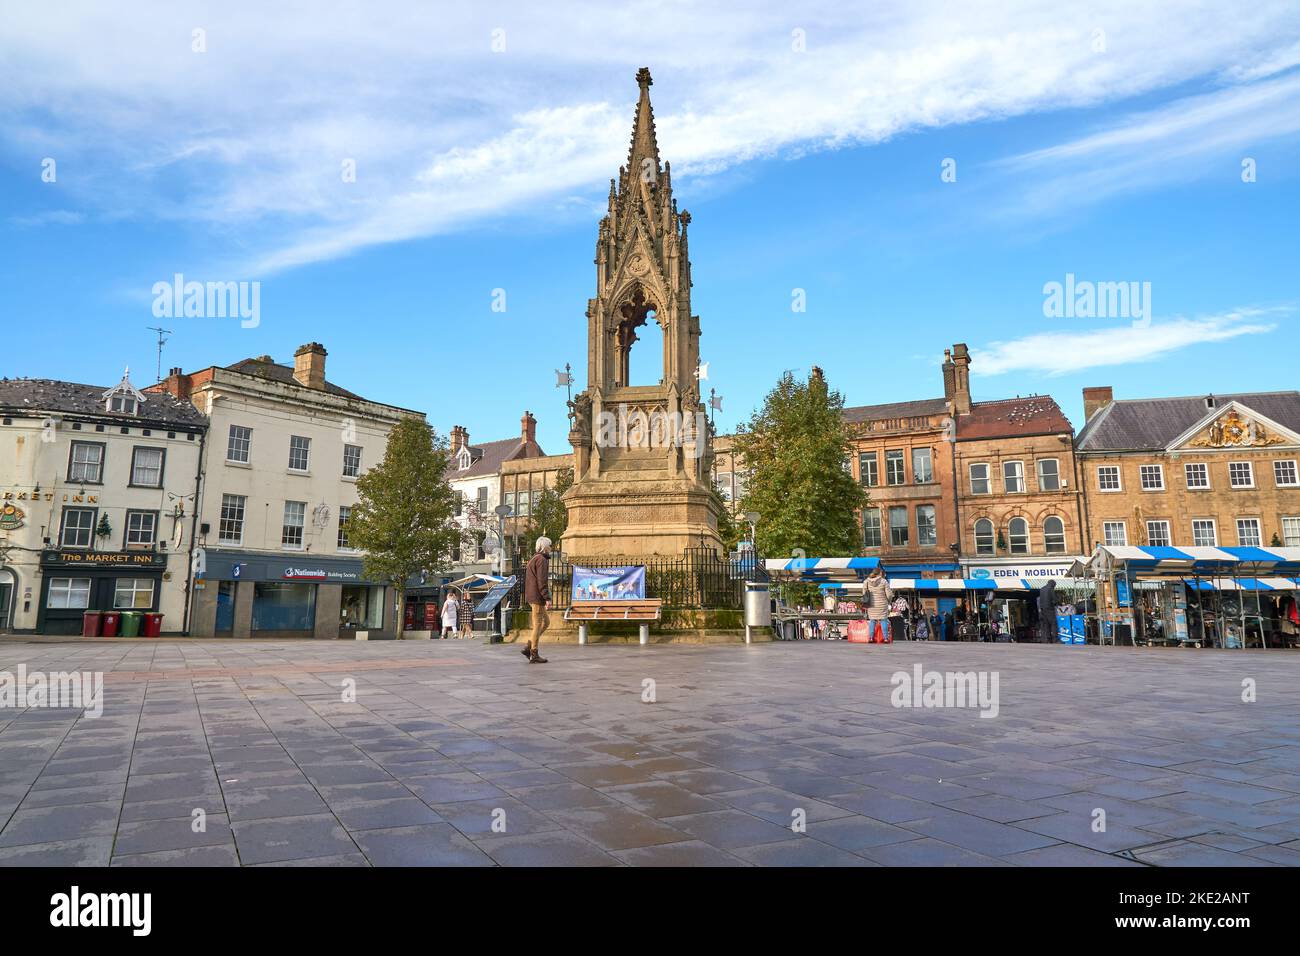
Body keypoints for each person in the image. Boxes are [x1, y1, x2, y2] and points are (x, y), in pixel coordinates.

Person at [523, 536, 552, 663]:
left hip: (532, 596)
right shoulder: (541, 560)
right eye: (549, 545)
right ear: (544, 547)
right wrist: (547, 597)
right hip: (537, 597)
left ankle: (529, 646)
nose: (551, 547)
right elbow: (542, 581)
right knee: (538, 625)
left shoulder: (534, 558)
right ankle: (533, 653)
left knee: (546, 622)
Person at [861, 566, 893, 644]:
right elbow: (889, 594)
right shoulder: (884, 581)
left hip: (871, 604)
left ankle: (871, 638)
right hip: (882, 604)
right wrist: (889, 601)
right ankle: (885, 638)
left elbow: (864, 593)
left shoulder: (866, 581)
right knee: (883, 620)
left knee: (872, 620)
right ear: (880, 573)